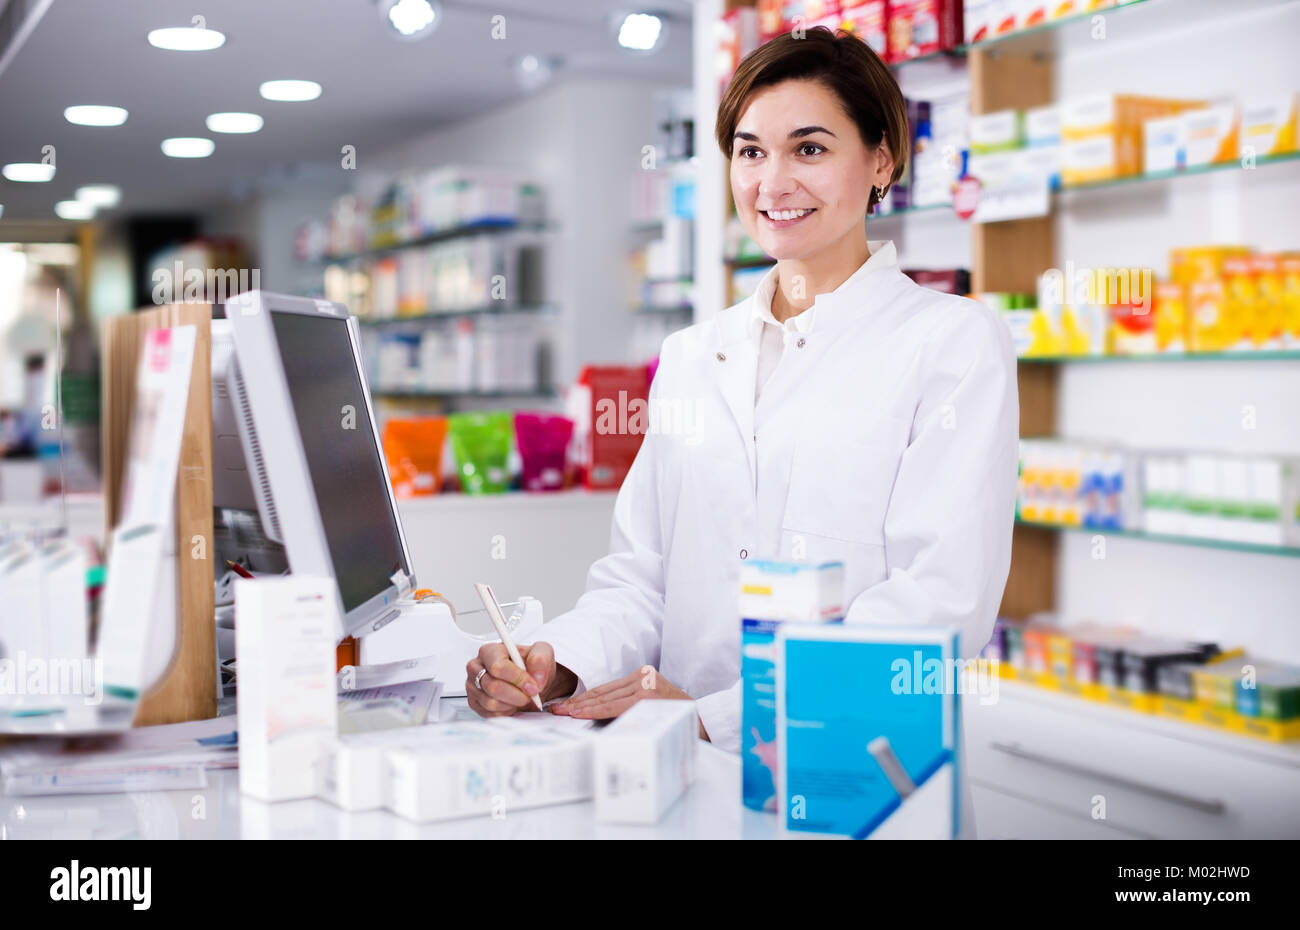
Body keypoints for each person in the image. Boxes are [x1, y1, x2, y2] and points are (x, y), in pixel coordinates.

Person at [467, 27, 1018, 754]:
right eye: (751, 151)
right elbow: (641, 580)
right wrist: (556, 667)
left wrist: (708, 718)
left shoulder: (951, 342)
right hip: (684, 784)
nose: (772, 181)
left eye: (810, 149)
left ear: (882, 159)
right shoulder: (693, 356)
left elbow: (938, 609)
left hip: (860, 777)